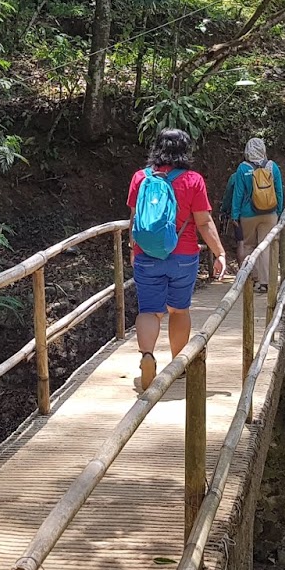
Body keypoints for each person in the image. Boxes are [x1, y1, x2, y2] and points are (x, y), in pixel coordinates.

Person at [126, 128, 228, 392]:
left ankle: (147, 356)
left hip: (146, 255)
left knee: (149, 311)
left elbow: (135, 219)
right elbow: (204, 222)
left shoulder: (141, 178)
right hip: (183, 256)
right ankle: (177, 365)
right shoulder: (193, 180)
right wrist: (219, 253)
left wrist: (132, 249)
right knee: (179, 310)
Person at [226, 137, 285, 293]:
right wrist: (278, 211)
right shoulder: (272, 167)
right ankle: (266, 282)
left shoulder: (243, 169)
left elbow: (238, 194)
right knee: (266, 246)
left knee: (248, 246)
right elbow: (279, 191)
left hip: (248, 214)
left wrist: (235, 215)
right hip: (270, 213)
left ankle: (252, 279)